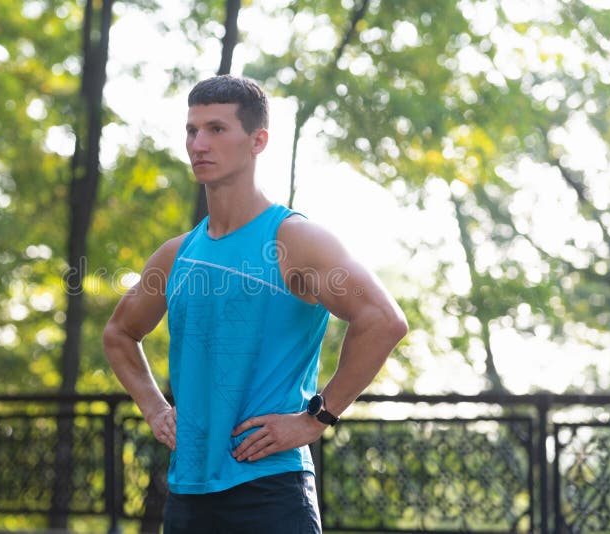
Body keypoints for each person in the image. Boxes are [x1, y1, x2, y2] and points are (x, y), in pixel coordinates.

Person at [103, 75, 408, 533]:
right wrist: (154, 409)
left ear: (257, 140)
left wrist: (316, 417)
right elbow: (119, 334)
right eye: (192, 130)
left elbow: (384, 321)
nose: (198, 144)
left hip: (269, 489)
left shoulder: (294, 240)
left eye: (216, 129)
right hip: (187, 494)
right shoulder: (177, 254)